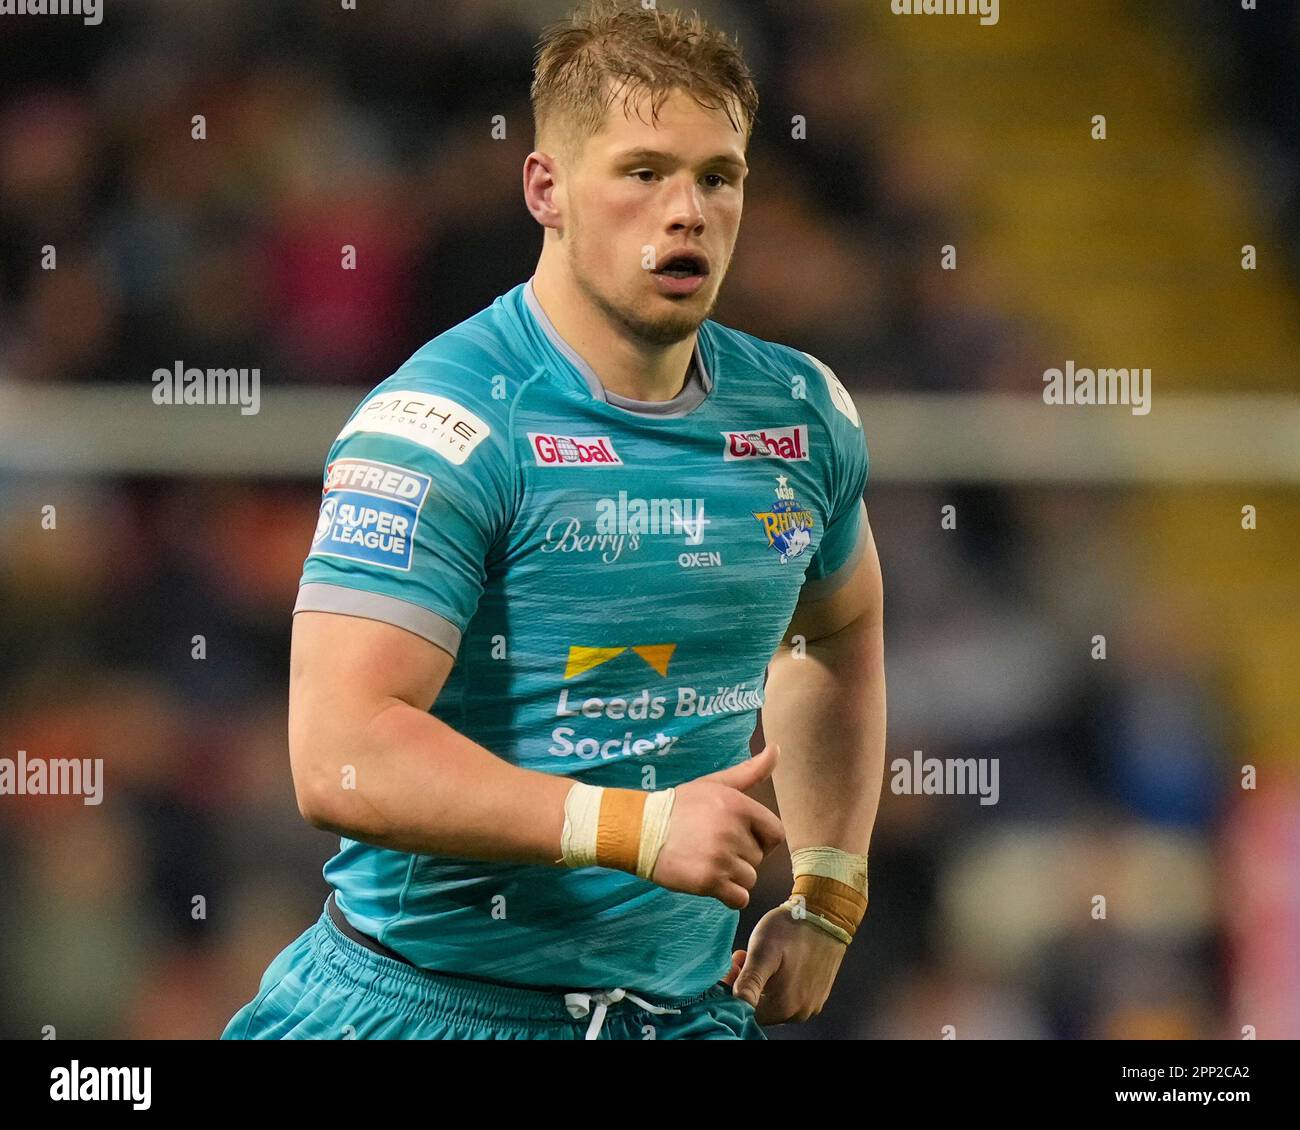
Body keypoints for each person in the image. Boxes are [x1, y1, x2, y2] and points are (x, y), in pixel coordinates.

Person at [222, 0, 885, 1041]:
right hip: (427, 1005)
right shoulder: (442, 427)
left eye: (718, 176)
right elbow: (338, 750)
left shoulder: (798, 417)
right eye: (643, 171)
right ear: (547, 189)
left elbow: (834, 629)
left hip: (677, 1013)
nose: (688, 210)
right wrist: (633, 826)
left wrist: (828, 891)